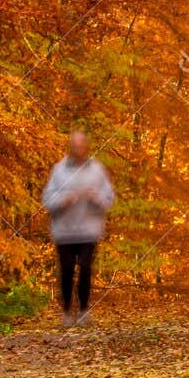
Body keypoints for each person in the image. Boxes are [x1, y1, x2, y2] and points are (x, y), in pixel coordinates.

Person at [41, 128, 115, 327]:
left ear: (87, 147)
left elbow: (109, 198)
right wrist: (63, 200)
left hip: (89, 231)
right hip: (64, 231)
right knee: (66, 270)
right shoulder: (59, 170)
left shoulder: (97, 170)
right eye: (75, 145)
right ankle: (66, 311)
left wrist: (96, 197)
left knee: (85, 269)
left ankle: (83, 311)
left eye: (82, 145)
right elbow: (47, 199)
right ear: (71, 147)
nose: (79, 149)